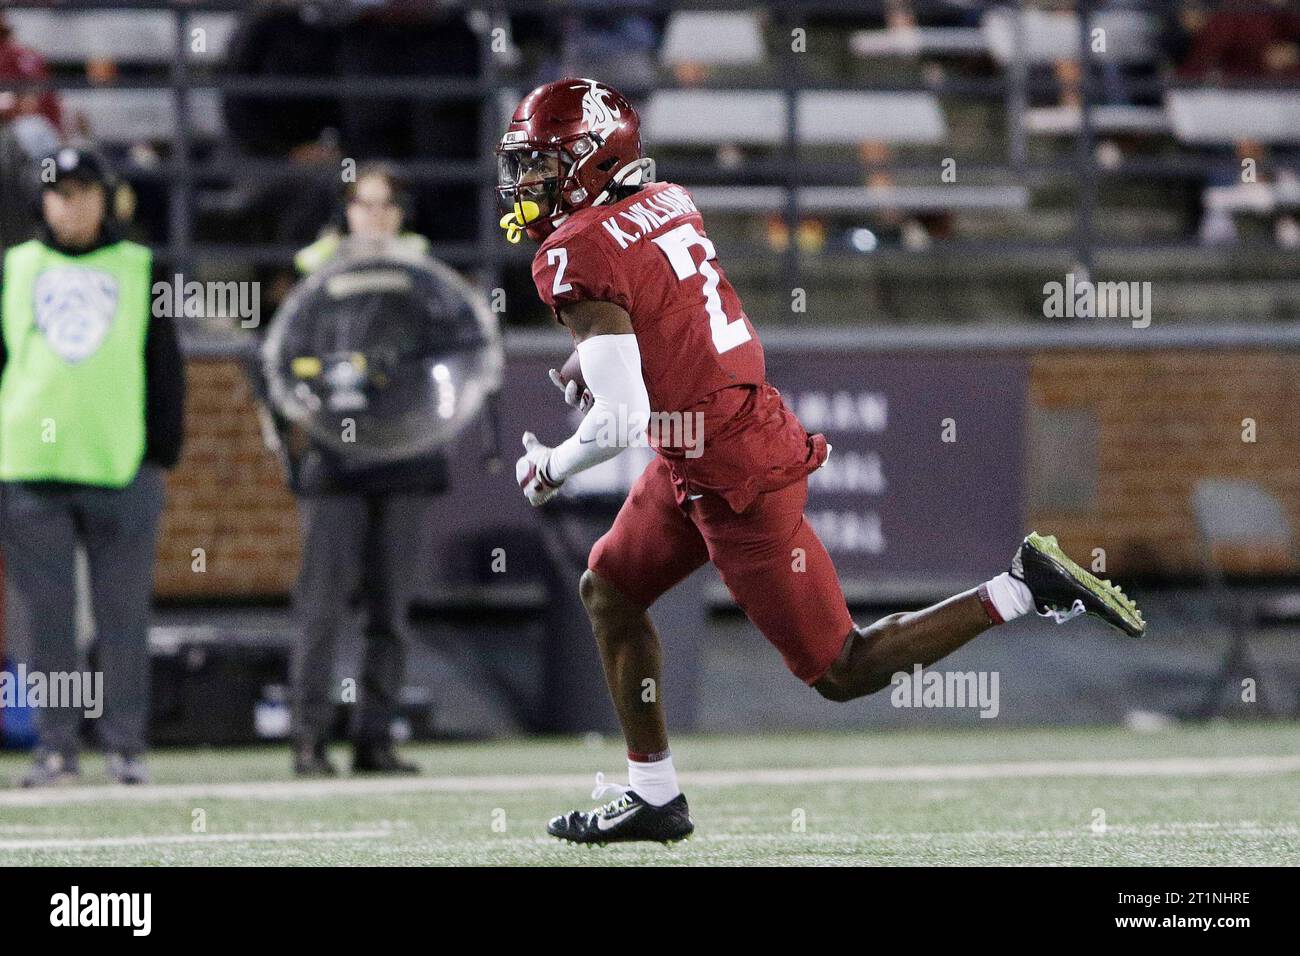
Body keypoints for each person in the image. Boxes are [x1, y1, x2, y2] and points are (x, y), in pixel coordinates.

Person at [497, 79, 1147, 844]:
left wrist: (551, 467)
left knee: (842, 669)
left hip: (732, 472)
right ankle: (653, 795)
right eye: (525, 164)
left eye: (543, 164)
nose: (528, 182)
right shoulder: (664, 199)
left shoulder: (574, 250)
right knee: (610, 588)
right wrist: (600, 357)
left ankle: (1021, 586)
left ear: (594, 159)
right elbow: (666, 308)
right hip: (709, 440)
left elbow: (619, 419)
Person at [0, 147, 185, 786]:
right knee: (45, 619)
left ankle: (124, 746)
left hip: (119, 465)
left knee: (123, 616)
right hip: (30, 467)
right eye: (59, 193)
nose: (70, 205)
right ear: (42, 201)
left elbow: (165, 367)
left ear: (105, 199)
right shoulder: (14, 267)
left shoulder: (142, 267)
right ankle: (55, 746)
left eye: (83, 192)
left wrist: (160, 455)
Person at [262, 164, 442, 777]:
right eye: (364, 204)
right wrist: (305, 431)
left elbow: (455, 359)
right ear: (346, 212)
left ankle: (374, 740)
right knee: (321, 608)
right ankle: (308, 741)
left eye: (386, 205)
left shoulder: (425, 281)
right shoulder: (314, 279)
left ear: (401, 214)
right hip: (335, 464)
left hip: (406, 458)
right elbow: (279, 362)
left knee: (391, 612)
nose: (376, 217)